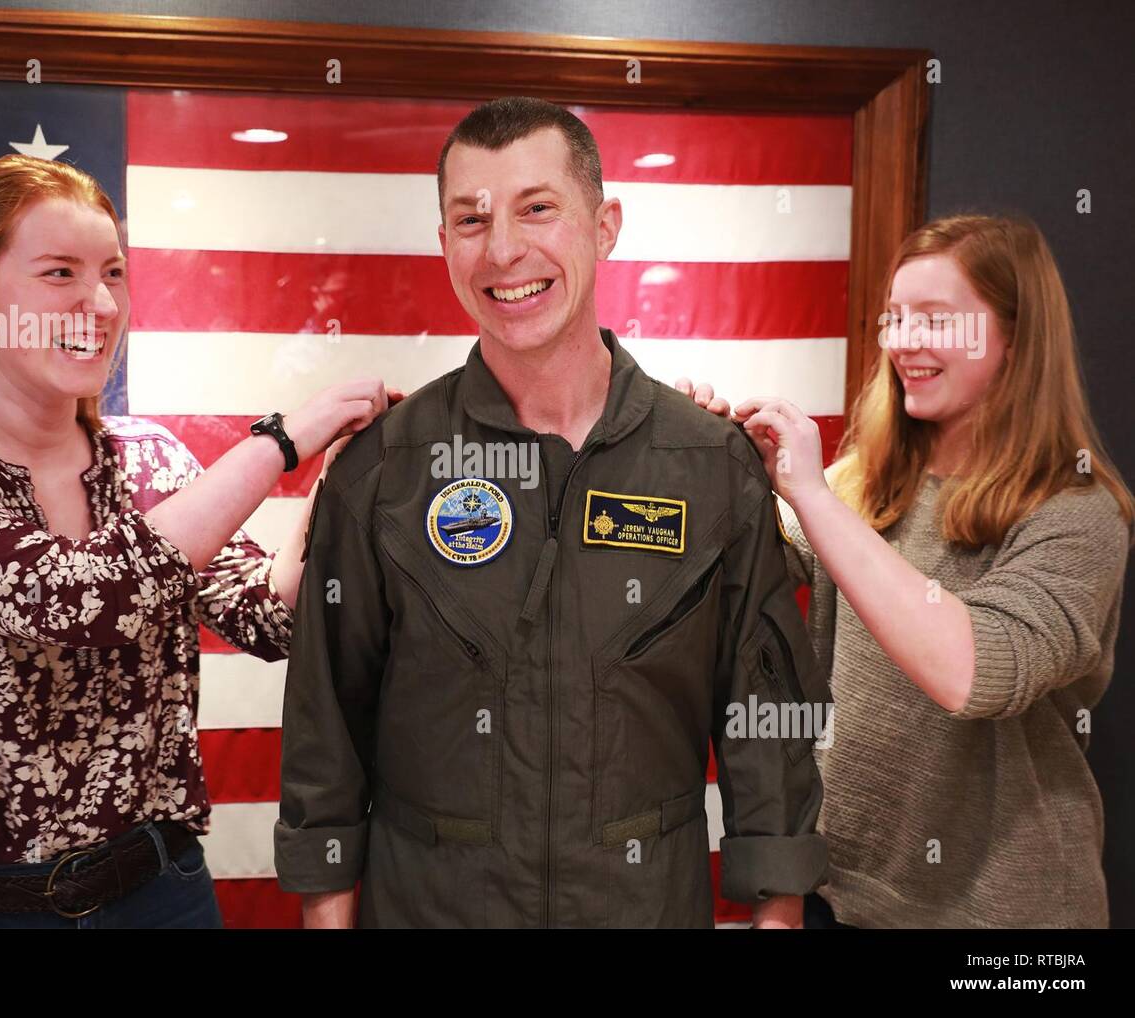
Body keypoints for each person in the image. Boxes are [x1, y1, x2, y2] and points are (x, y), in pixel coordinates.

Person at [273, 96, 830, 928]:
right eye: (471, 219)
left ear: (604, 226)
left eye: (538, 209)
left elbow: (767, 726)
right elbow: (327, 730)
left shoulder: (711, 467)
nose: (503, 250)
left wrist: (779, 915)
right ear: (444, 244)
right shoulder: (384, 471)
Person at [0, 154, 390, 928]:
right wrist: (279, 442)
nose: (99, 304)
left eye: (114, 273)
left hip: (160, 889)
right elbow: (77, 599)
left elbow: (272, 618)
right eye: (59, 273)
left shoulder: (149, 458)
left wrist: (337, 472)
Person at [690, 214, 1133, 927]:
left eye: (935, 319)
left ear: (1017, 338)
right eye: (893, 318)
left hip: (1005, 919)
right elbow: (743, 579)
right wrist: (702, 465)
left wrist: (810, 493)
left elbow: (972, 671)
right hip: (844, 895)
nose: (902, 343)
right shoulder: (865, 481)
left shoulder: (1080, 514)